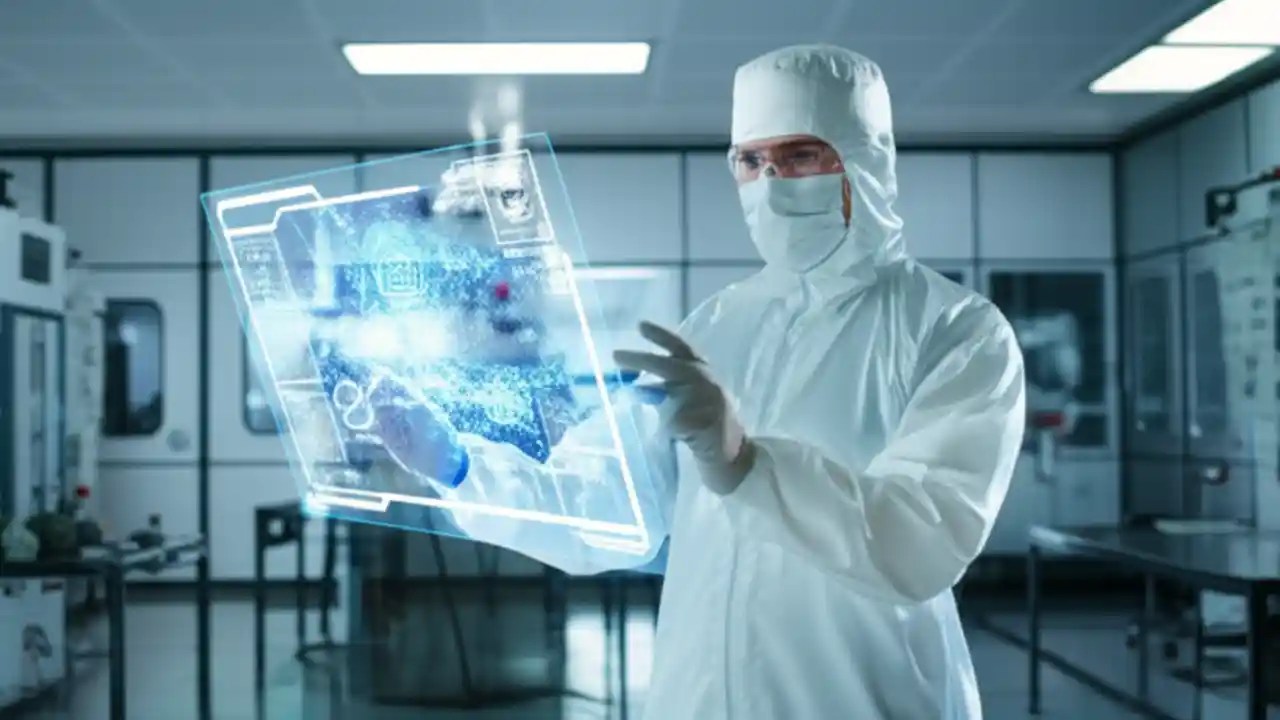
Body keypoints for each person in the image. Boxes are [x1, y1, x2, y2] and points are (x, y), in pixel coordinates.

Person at [375, 44, 1026, 720]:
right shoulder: (718, 323)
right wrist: (458, 465)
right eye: (751, 161)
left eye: (800, 155)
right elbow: (611, 499)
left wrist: (745, 461)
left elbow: (921, 539)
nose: (771, 181)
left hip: (863, 698)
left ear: (863, 157)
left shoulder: (954, 330)